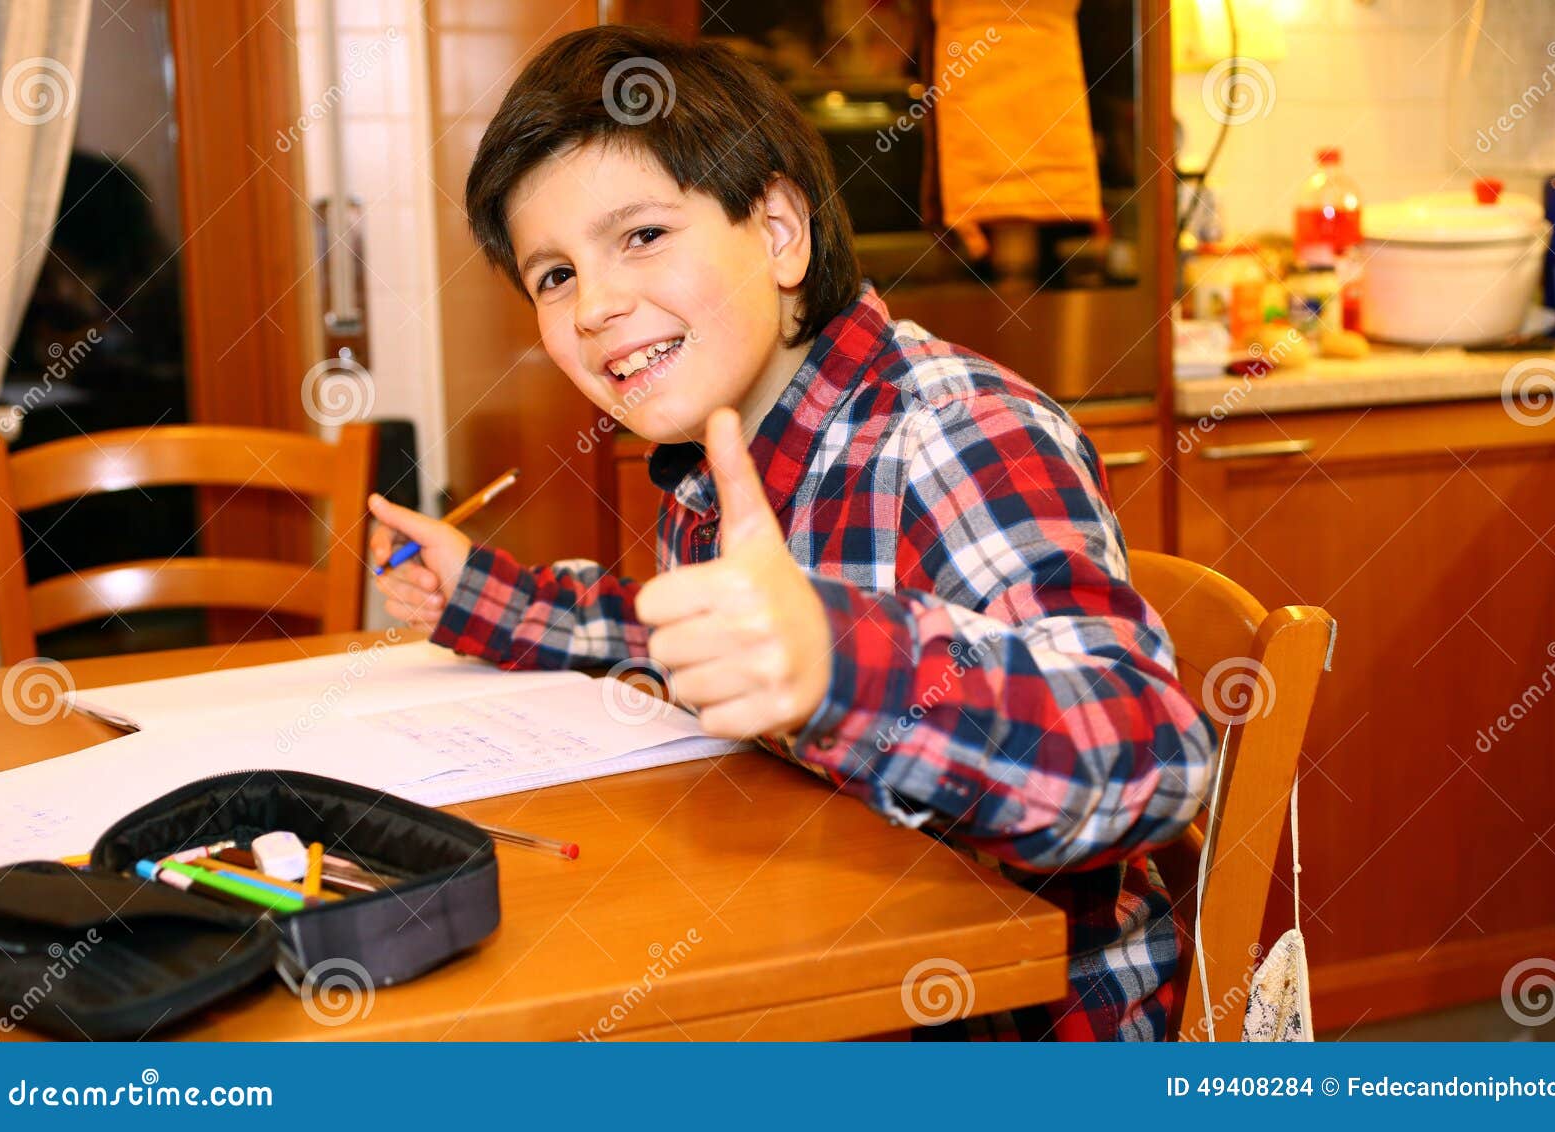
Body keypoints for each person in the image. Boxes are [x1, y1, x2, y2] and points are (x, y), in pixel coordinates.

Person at [368, 25, 1214, 1041]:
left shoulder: (950, 433)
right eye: (553, 274)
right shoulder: (729, 446)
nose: (594, 305)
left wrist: (836, 659)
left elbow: (1151, 754)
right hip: (829, 981)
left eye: (639, 236)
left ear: (777, 232)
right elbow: (669, 639)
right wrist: (477, 592)